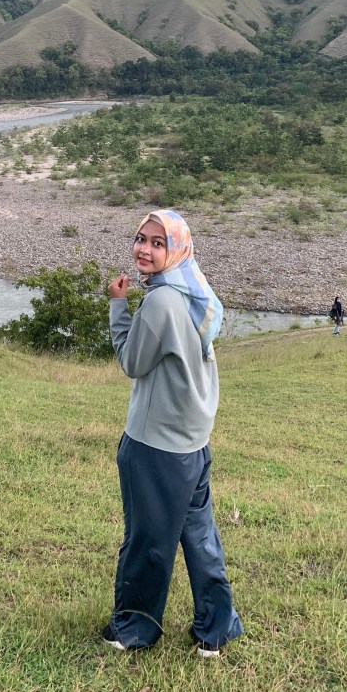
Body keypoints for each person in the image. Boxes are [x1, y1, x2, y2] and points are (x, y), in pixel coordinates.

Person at [102, 209, 243, 658]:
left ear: (174, 249)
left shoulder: (161, 301)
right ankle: (215, 630)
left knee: (147, 540)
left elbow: (131, 362)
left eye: (157, 243)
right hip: (193, 441)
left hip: (155, 445)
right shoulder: (193, 291)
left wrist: (117, 306)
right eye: (141, 238)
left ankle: (134, 630)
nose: (144, 249)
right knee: (200, 538)